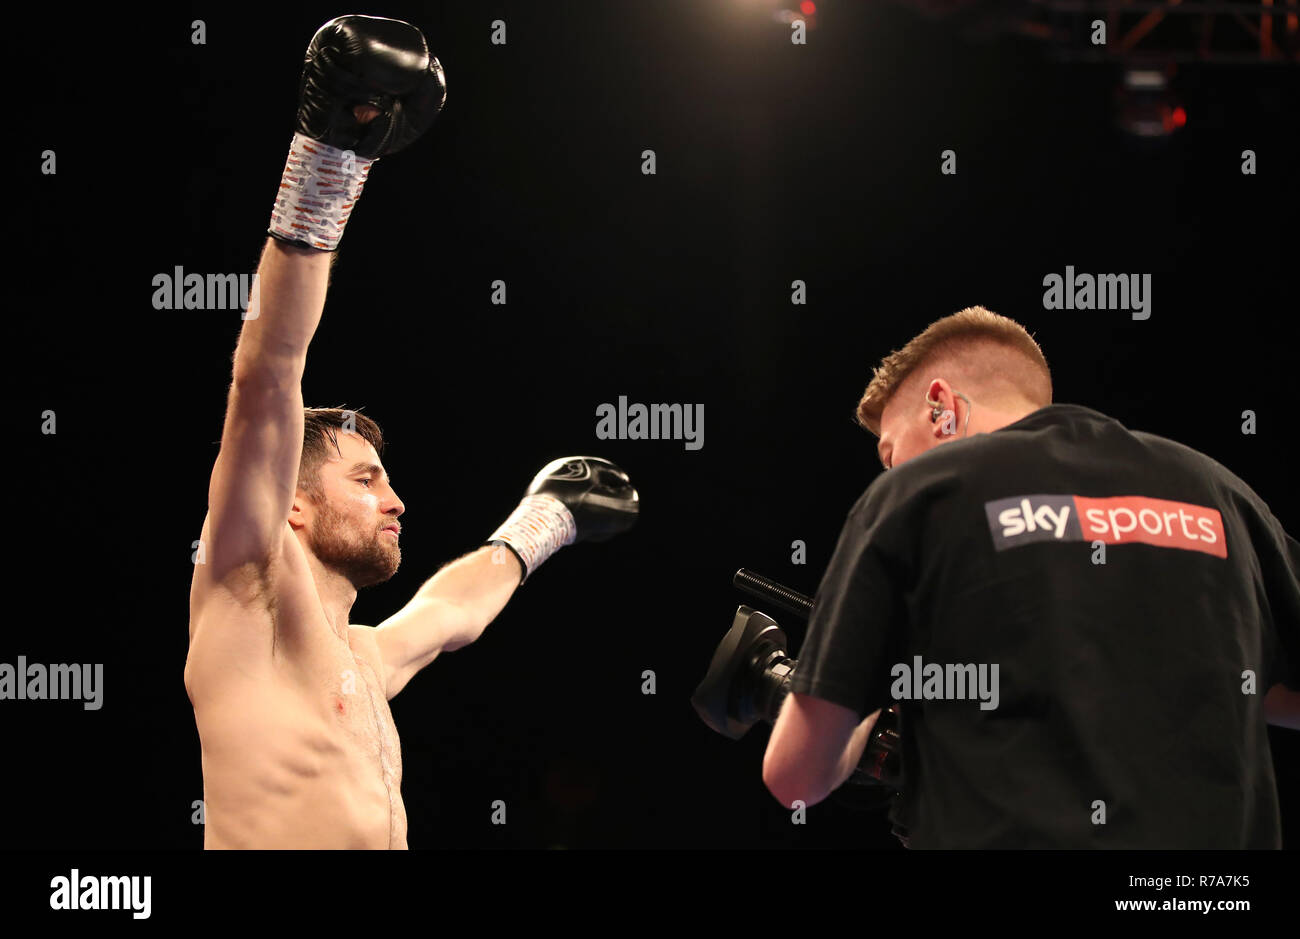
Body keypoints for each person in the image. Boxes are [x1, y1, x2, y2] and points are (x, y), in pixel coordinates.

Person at [184, 15, 638, 848]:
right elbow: (268, 370)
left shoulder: (362, 658)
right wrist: (329, 157)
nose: (396, 499)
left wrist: (548, 519)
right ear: (290, 505)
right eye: (364, 479)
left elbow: (450, 611)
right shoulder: (244, 596)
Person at [762, 305, 1299, 847]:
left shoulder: (917, 496)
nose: (893, 470)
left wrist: (865, 675)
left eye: (890, 452)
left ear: (941, 407)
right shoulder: (1220, 496)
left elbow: (795, 778)